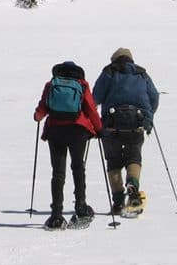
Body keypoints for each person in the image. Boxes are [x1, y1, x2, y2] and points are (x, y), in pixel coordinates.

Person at [34, 60, 103, 229]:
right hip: (78, 130)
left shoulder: (51, 84)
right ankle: (81, 208)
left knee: (58, 172)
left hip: (55, 130)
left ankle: (56, 215)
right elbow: (90, 109)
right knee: (78, 168)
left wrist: (37, 116)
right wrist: (99, 129)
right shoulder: (82, 85)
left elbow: (42, 108)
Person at [93, 48, 159, 214]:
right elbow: (154, 97)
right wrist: (148, 117)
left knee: (113, 161)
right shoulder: (142, 74)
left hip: (111, 124)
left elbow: (95, 97)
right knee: (133, 157)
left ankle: (118, 201)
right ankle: (132, 185)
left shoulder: (109, 72)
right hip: (136, 123)